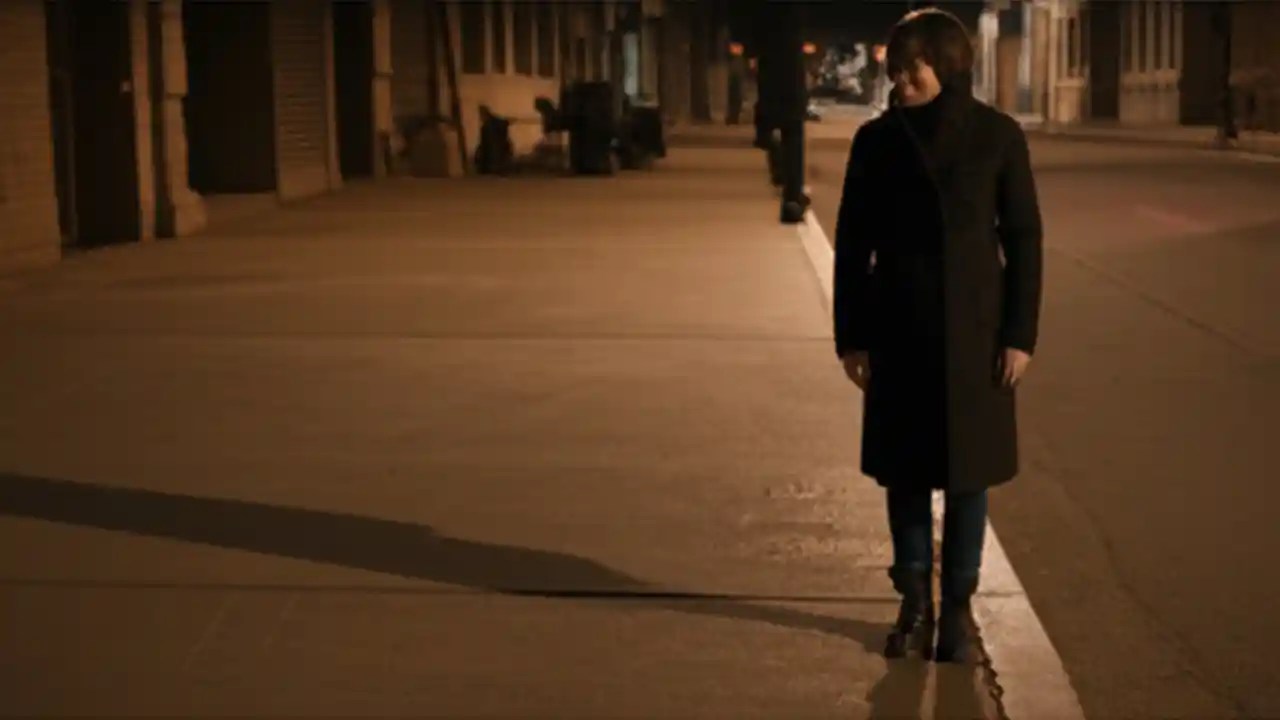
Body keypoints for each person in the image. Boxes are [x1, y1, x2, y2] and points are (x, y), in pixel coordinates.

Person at [832, 8, 1043, 664]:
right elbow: (853, 245)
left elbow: (1025, 238)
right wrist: (851, 336)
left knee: (968, 475)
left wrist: (1019, 334)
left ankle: (957, 608)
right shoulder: (876, 142)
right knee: (905, 473)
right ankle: (914, 602)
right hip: (899, 323)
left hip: (978, 331)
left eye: (913, 67)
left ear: (948, 66)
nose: (900, 80)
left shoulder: (997, 137)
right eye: (894, 69)